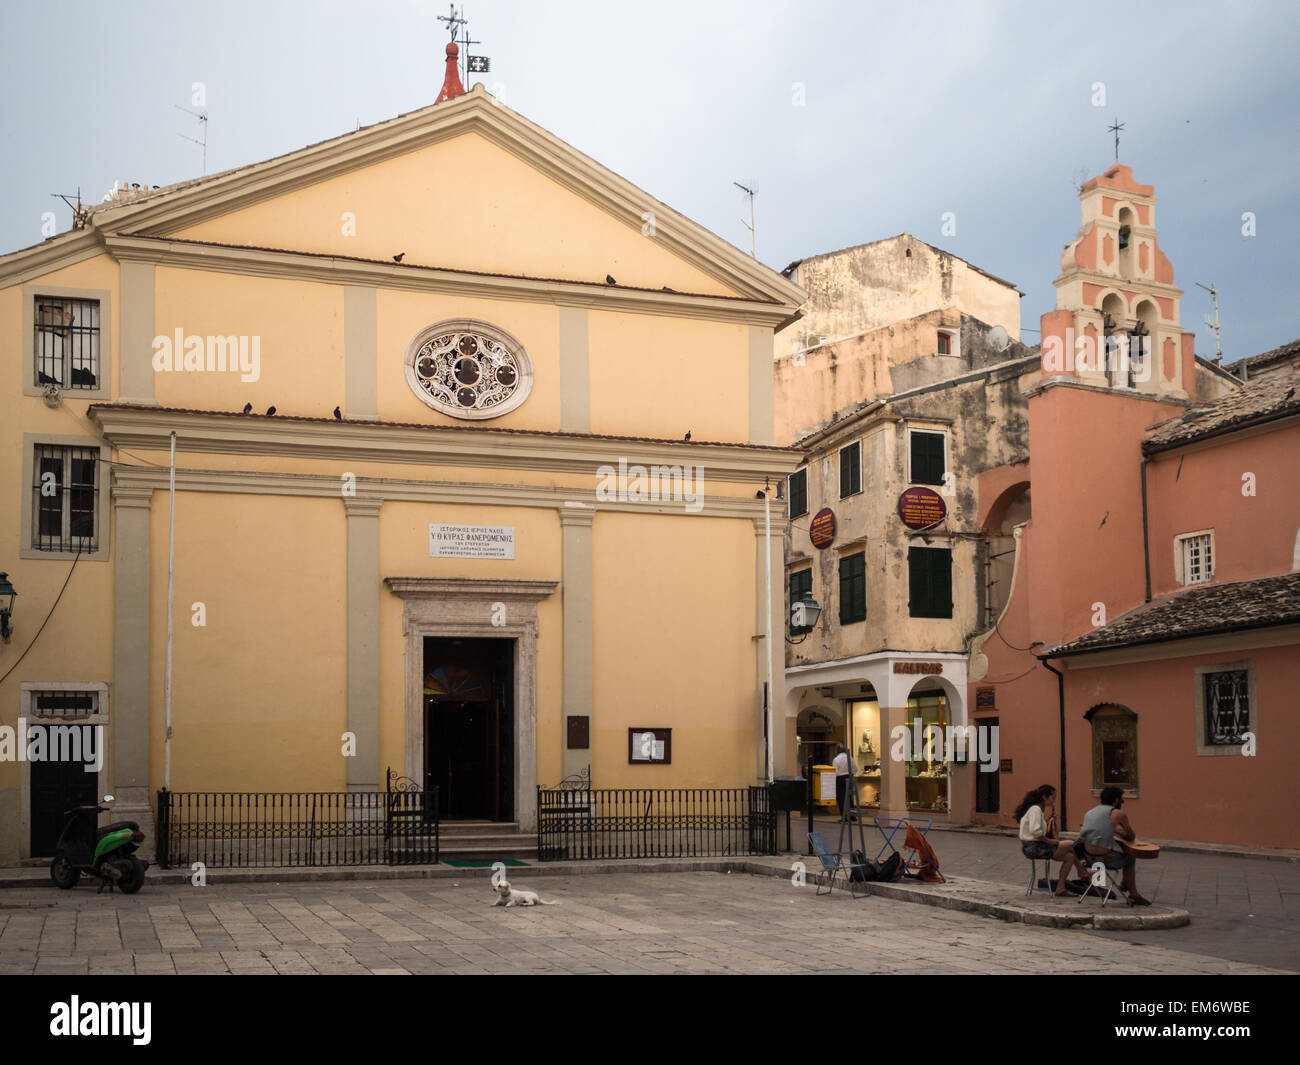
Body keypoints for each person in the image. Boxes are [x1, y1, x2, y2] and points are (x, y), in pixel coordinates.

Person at [1075, 786, 1151, 906]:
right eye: (1121, 800)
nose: (1121, 803)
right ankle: (1133, 894)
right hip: (1107, 858)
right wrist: (1123, 832)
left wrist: (1114, 830)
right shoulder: (1117, 813)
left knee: (1124, 854)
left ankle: (1125, 883)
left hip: (1089, 858)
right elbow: (1131, 837)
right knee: (1130, 857)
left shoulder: (1089, 812)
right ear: (1116, 800)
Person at [1015, 784, 1087, 896]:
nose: (1054, 801)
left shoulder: (1038, 810)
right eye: (1053, 797)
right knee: (1071, 844)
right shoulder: (1035, 809)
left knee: (1070, 857)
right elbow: (1035, 832)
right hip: (1034, 847)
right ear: (1045, 797)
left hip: (1036, 846)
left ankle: (1061, 888)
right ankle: (1082, 872)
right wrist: (1050, 841)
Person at [832, 743, 854, 818]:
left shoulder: (836, 759)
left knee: (841, 798)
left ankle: (844, 817)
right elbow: (855, 769)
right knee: (849, 797)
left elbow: (835, 772)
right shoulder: (850, 758)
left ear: (837, 751)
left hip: (839, 779)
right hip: (849, 777)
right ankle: (852, 816)